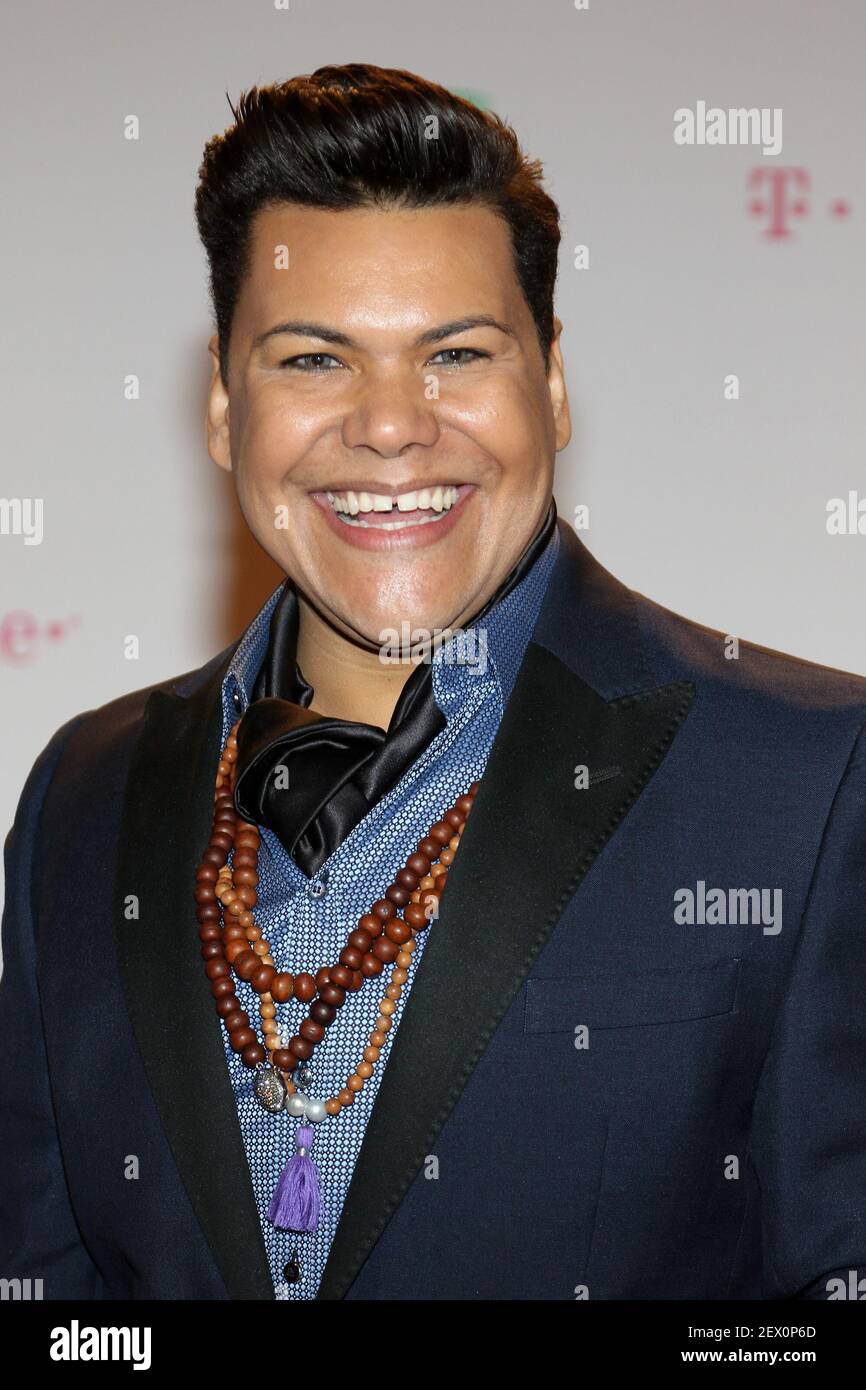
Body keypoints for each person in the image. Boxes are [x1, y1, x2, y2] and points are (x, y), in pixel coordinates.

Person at [2, 63, 865, 1302]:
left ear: (551, 384)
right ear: (220, 405)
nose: (392, 425)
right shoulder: (80, 798)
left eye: (454, 353)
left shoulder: (805, 781)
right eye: (312, 361)